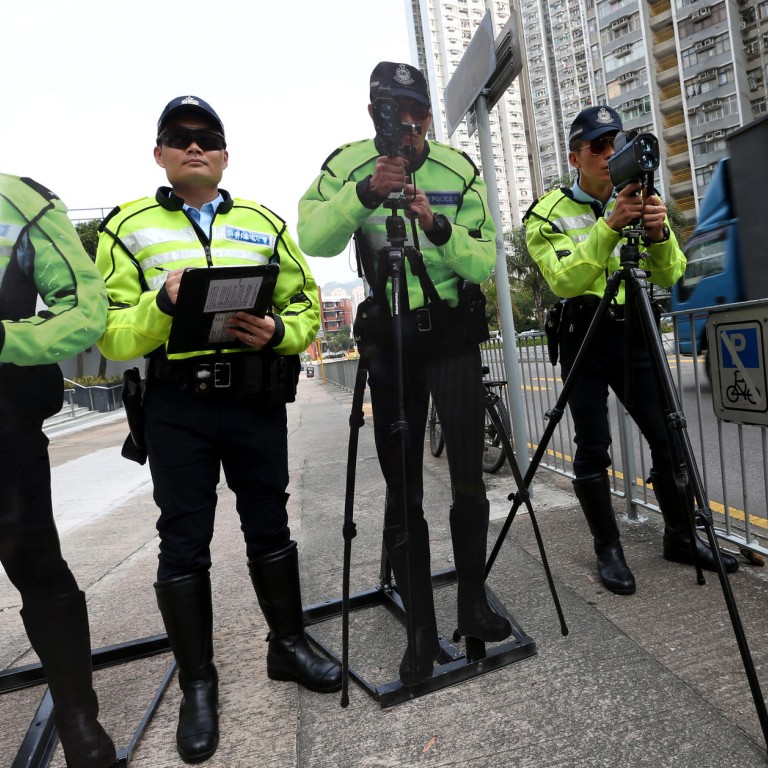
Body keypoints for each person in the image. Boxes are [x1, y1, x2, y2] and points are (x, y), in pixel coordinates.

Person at [95, 96, 340, 764]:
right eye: (179, 137)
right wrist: (163, 301)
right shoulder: (126, 227)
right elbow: (111, 333)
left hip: (255, 396)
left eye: (208, 138)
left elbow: (304, 304)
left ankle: (287, 646)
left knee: (271, 524)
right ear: (160, 153)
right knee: (183, 542)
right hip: (177, 406)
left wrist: (280, 332)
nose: (194, 146)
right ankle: (198, 682)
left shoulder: (263, 221)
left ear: (226, 154)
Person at [297, 62, 511, 688]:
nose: (409, 126)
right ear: (374, 115)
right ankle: (418, 624)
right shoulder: (345, 165)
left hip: (449, 336)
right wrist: (362, 193)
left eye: (418, 115)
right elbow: (313, 237)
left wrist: (435, 224)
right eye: (396, 113)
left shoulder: (456, 170)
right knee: (403, 484)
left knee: (469, 472)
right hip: (388, 339)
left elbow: (484, 257)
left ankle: (471, 598)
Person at [524, 105, 739, 596]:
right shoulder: (547, 213)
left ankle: (681, 536)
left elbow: (671, 274)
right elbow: (565, 279)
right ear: (575, 157)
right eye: (596, 146)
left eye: (614, 143)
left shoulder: (644, 198)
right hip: (584, 333)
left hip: (635, 329)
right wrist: (610, 226)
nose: (608, 154)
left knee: (669, 436)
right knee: (593, 443)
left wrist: (659, 234)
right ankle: (609, 549)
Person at [0, 174, 118, 768]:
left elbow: (86, 312)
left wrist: (2, 338)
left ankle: (77, 714)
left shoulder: (20, 201)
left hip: (3, 419)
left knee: (36, 563)